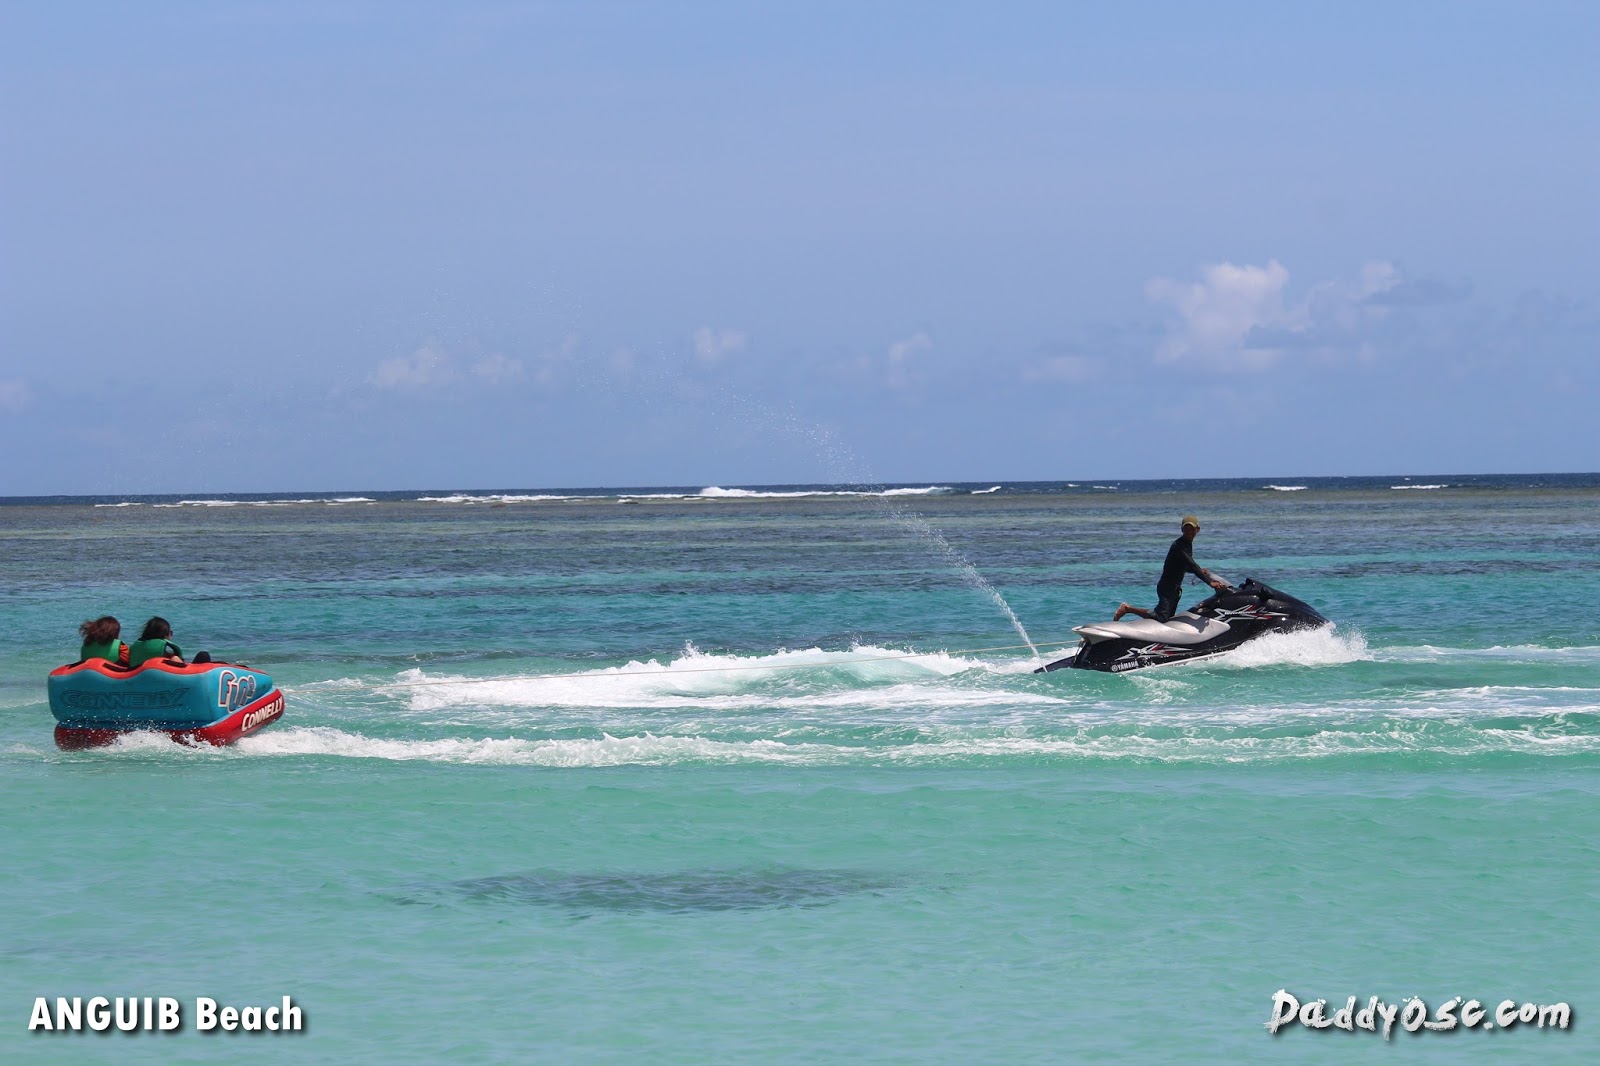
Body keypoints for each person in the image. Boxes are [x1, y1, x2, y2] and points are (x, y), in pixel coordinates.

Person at [1114, 515, 1230, 622]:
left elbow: (1184, 566)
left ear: (1197, 530)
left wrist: (1200, 571)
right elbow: (1192, 565)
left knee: (1168, 620)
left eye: (1192, 529)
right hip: (1167, 587)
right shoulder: (1179, 545)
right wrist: (1209, 582)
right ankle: (1127, 609)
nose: (1189, 532)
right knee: (1161, 617)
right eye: (1186, 529)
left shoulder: (1187, 544)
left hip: (1175, 589)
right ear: (1182, 530)